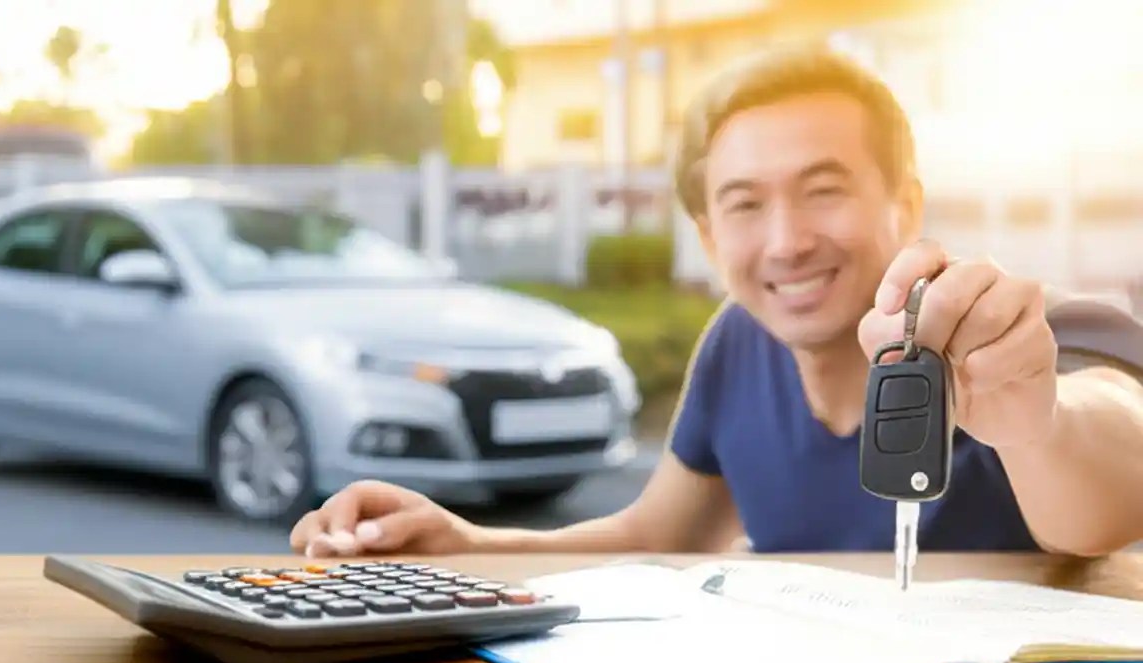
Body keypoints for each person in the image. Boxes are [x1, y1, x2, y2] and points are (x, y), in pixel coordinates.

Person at [290, 43, 1143, 560]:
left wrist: (1036, 423)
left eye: (823, 188)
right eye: (744, 204)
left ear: (905, 203)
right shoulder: (739, 341)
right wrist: (468, 544)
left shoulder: (1008, 333)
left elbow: (1112, 492)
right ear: (707, 237)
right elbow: (657, 537)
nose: (786, 240)